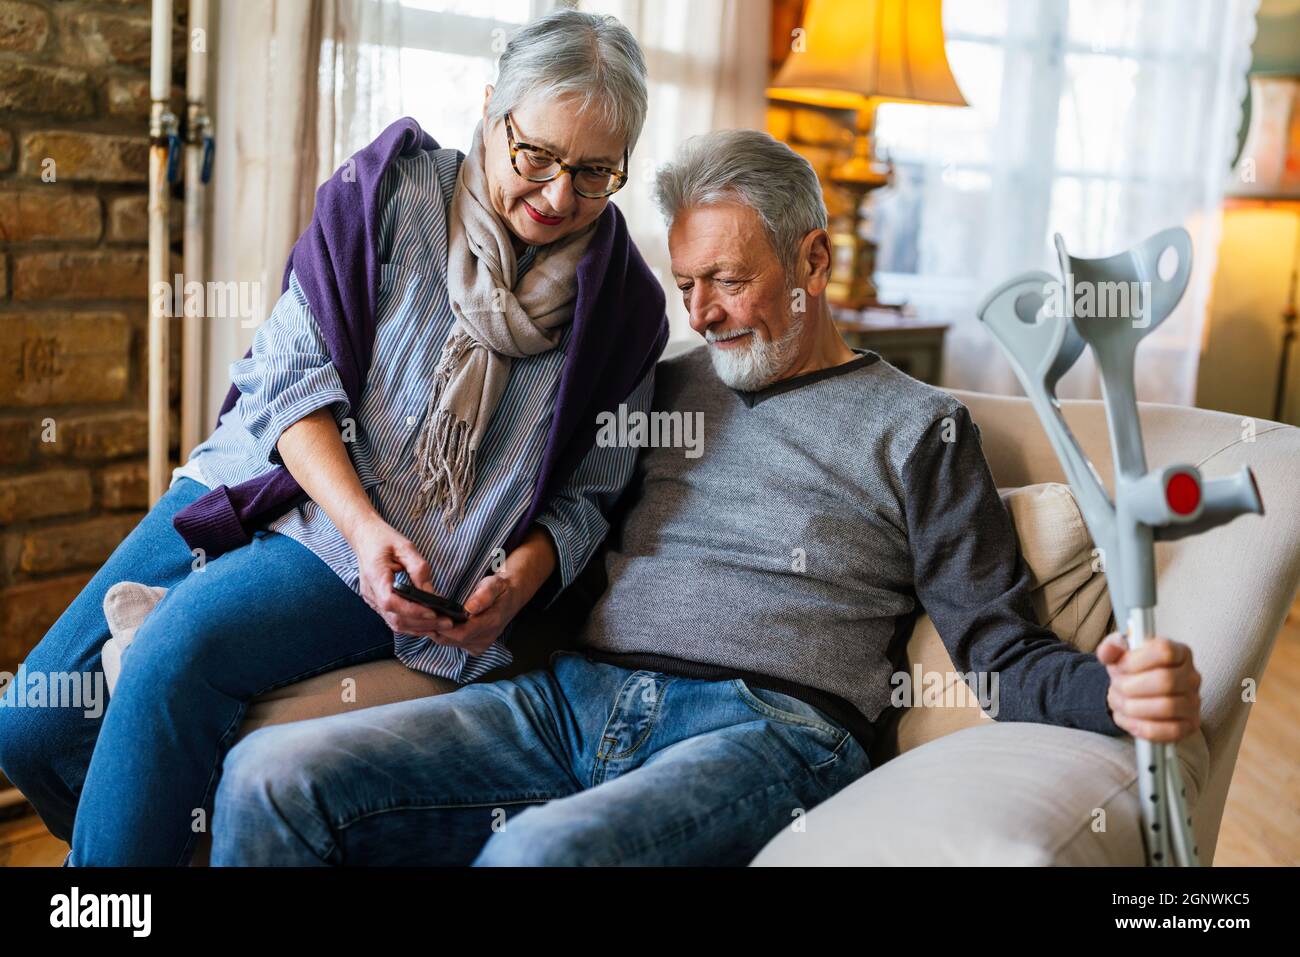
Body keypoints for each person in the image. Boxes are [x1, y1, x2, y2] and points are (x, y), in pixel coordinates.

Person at [208, 130, 1202, 866]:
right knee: (272, 779)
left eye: (726, 280)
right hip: (569, 702)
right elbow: (565, 524)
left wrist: (1108, 692)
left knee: (535, 860)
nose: (702, 314)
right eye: (685, 284)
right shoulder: (661, 385)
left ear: (813, 261)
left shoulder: (922, 426)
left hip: (770, 731)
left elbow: (999, 648)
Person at [0, 9, 667, 866]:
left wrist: (521, 577)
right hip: (266, 483)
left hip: (406, 554)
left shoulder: (629, 309)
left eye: (594, 173)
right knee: (31, 728)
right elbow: (287, 373)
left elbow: (591, 496)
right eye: (534, 155)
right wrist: (359, 520)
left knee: (176, 649)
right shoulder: (392, 188)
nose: (556, 196)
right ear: (491, 103)